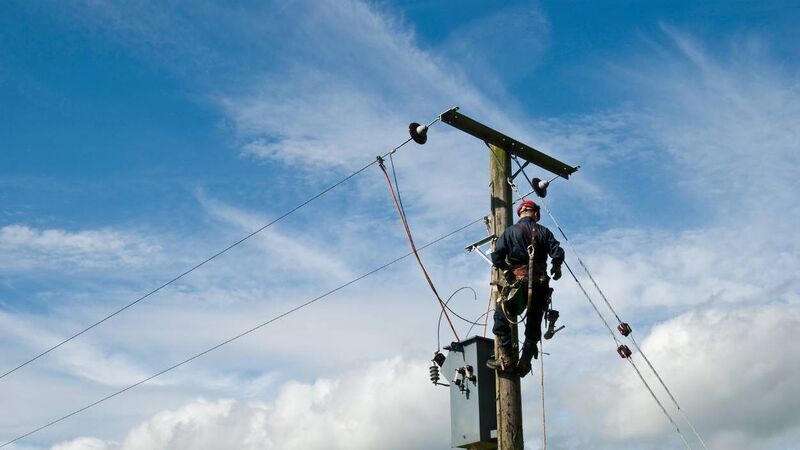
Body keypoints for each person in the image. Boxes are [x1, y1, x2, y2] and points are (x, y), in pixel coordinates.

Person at [489, 199, 564, 377]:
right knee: (534, 323)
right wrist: (556, 267)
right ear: (536, 214)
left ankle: (506, 358)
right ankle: (525, 362)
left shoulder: (510, 232)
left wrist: (507, 270)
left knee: (501, 317)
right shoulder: (544, 232)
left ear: (520, 213)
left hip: (519, 284)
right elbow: (557, 252)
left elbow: (497, 258)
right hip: (540, 285)